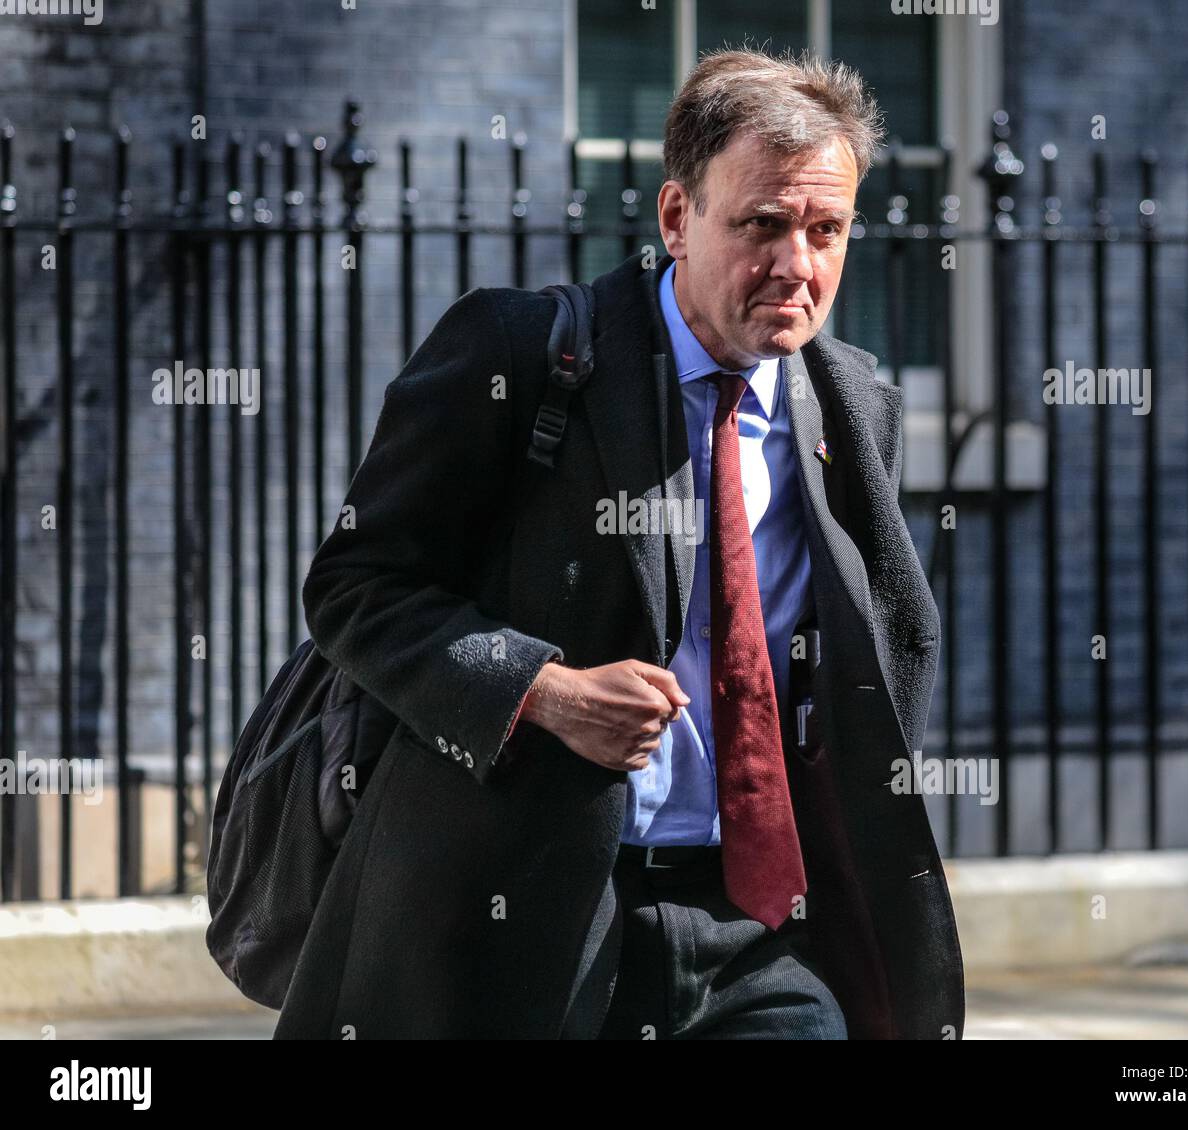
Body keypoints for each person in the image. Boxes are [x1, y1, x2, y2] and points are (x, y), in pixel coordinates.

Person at [274, 47, 964, 1041]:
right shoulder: (518, 353)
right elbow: (353, 584)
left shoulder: (851, 403)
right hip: (525, 909)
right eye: (762, 224)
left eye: (826, 229)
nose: (797, 265)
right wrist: (539, 690)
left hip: (752, 921)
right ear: (676, 218)